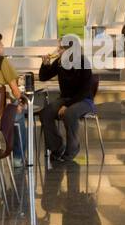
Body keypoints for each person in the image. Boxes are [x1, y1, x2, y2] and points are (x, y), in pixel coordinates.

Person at [38, 35, 97, 163]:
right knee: (46, 113)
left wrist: (67, 105)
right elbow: (43, 77)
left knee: (69, 114)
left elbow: (86, 90)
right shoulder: (60, 62)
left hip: (84, 100)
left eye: (61, 48)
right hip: (65, 98)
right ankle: (57, 147)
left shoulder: (82, 62)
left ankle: (72, 150)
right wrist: (45, 65)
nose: (58, 50)